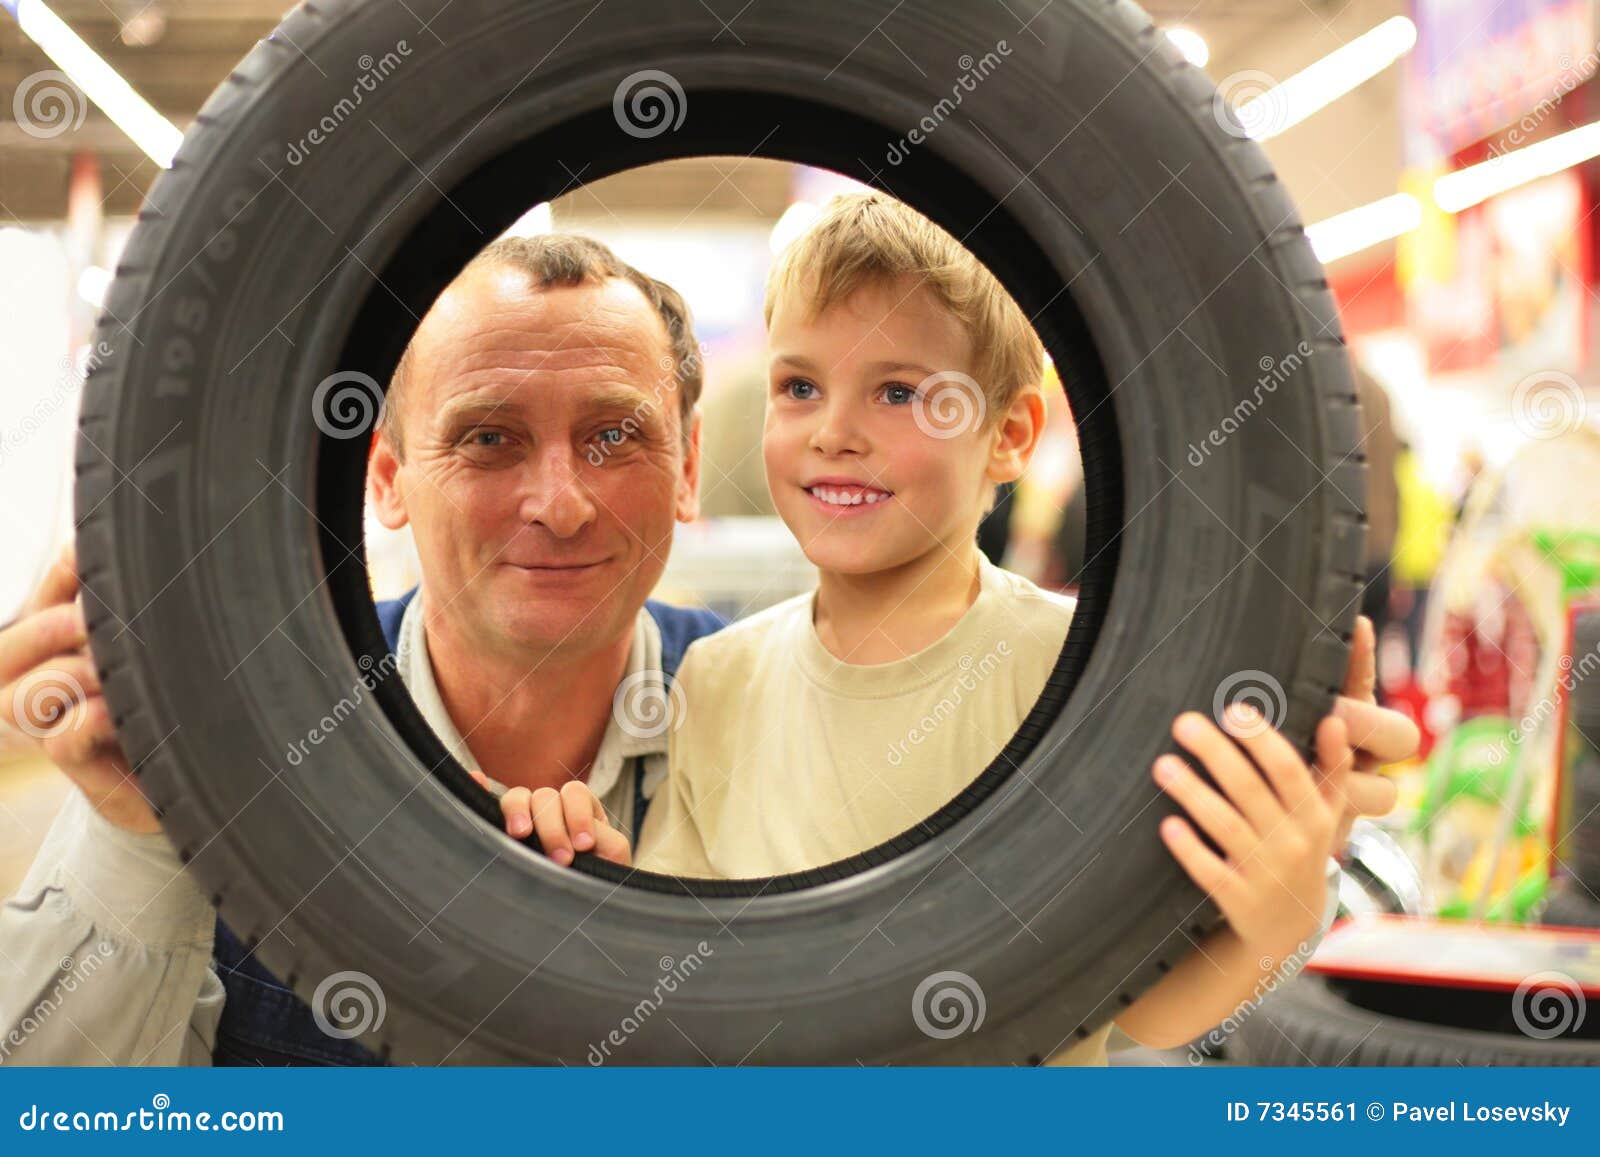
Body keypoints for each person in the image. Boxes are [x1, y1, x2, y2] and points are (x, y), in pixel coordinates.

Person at [631, 192, 1416, 1064]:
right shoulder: (713, 678)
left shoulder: (1090, 671)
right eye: (800, 386)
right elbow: (676, 979)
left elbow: (1145, 1012)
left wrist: (1284, 904)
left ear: (1009, 434)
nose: (835, 432)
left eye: (898, 391)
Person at [0, 233, 723, 1064]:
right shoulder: (238, 731)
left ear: (687, 468)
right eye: (488, 438)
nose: (561, 506)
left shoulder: (774, 711)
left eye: (614, 436)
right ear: (385, 478)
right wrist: (136, 832)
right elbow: (67, 1121)